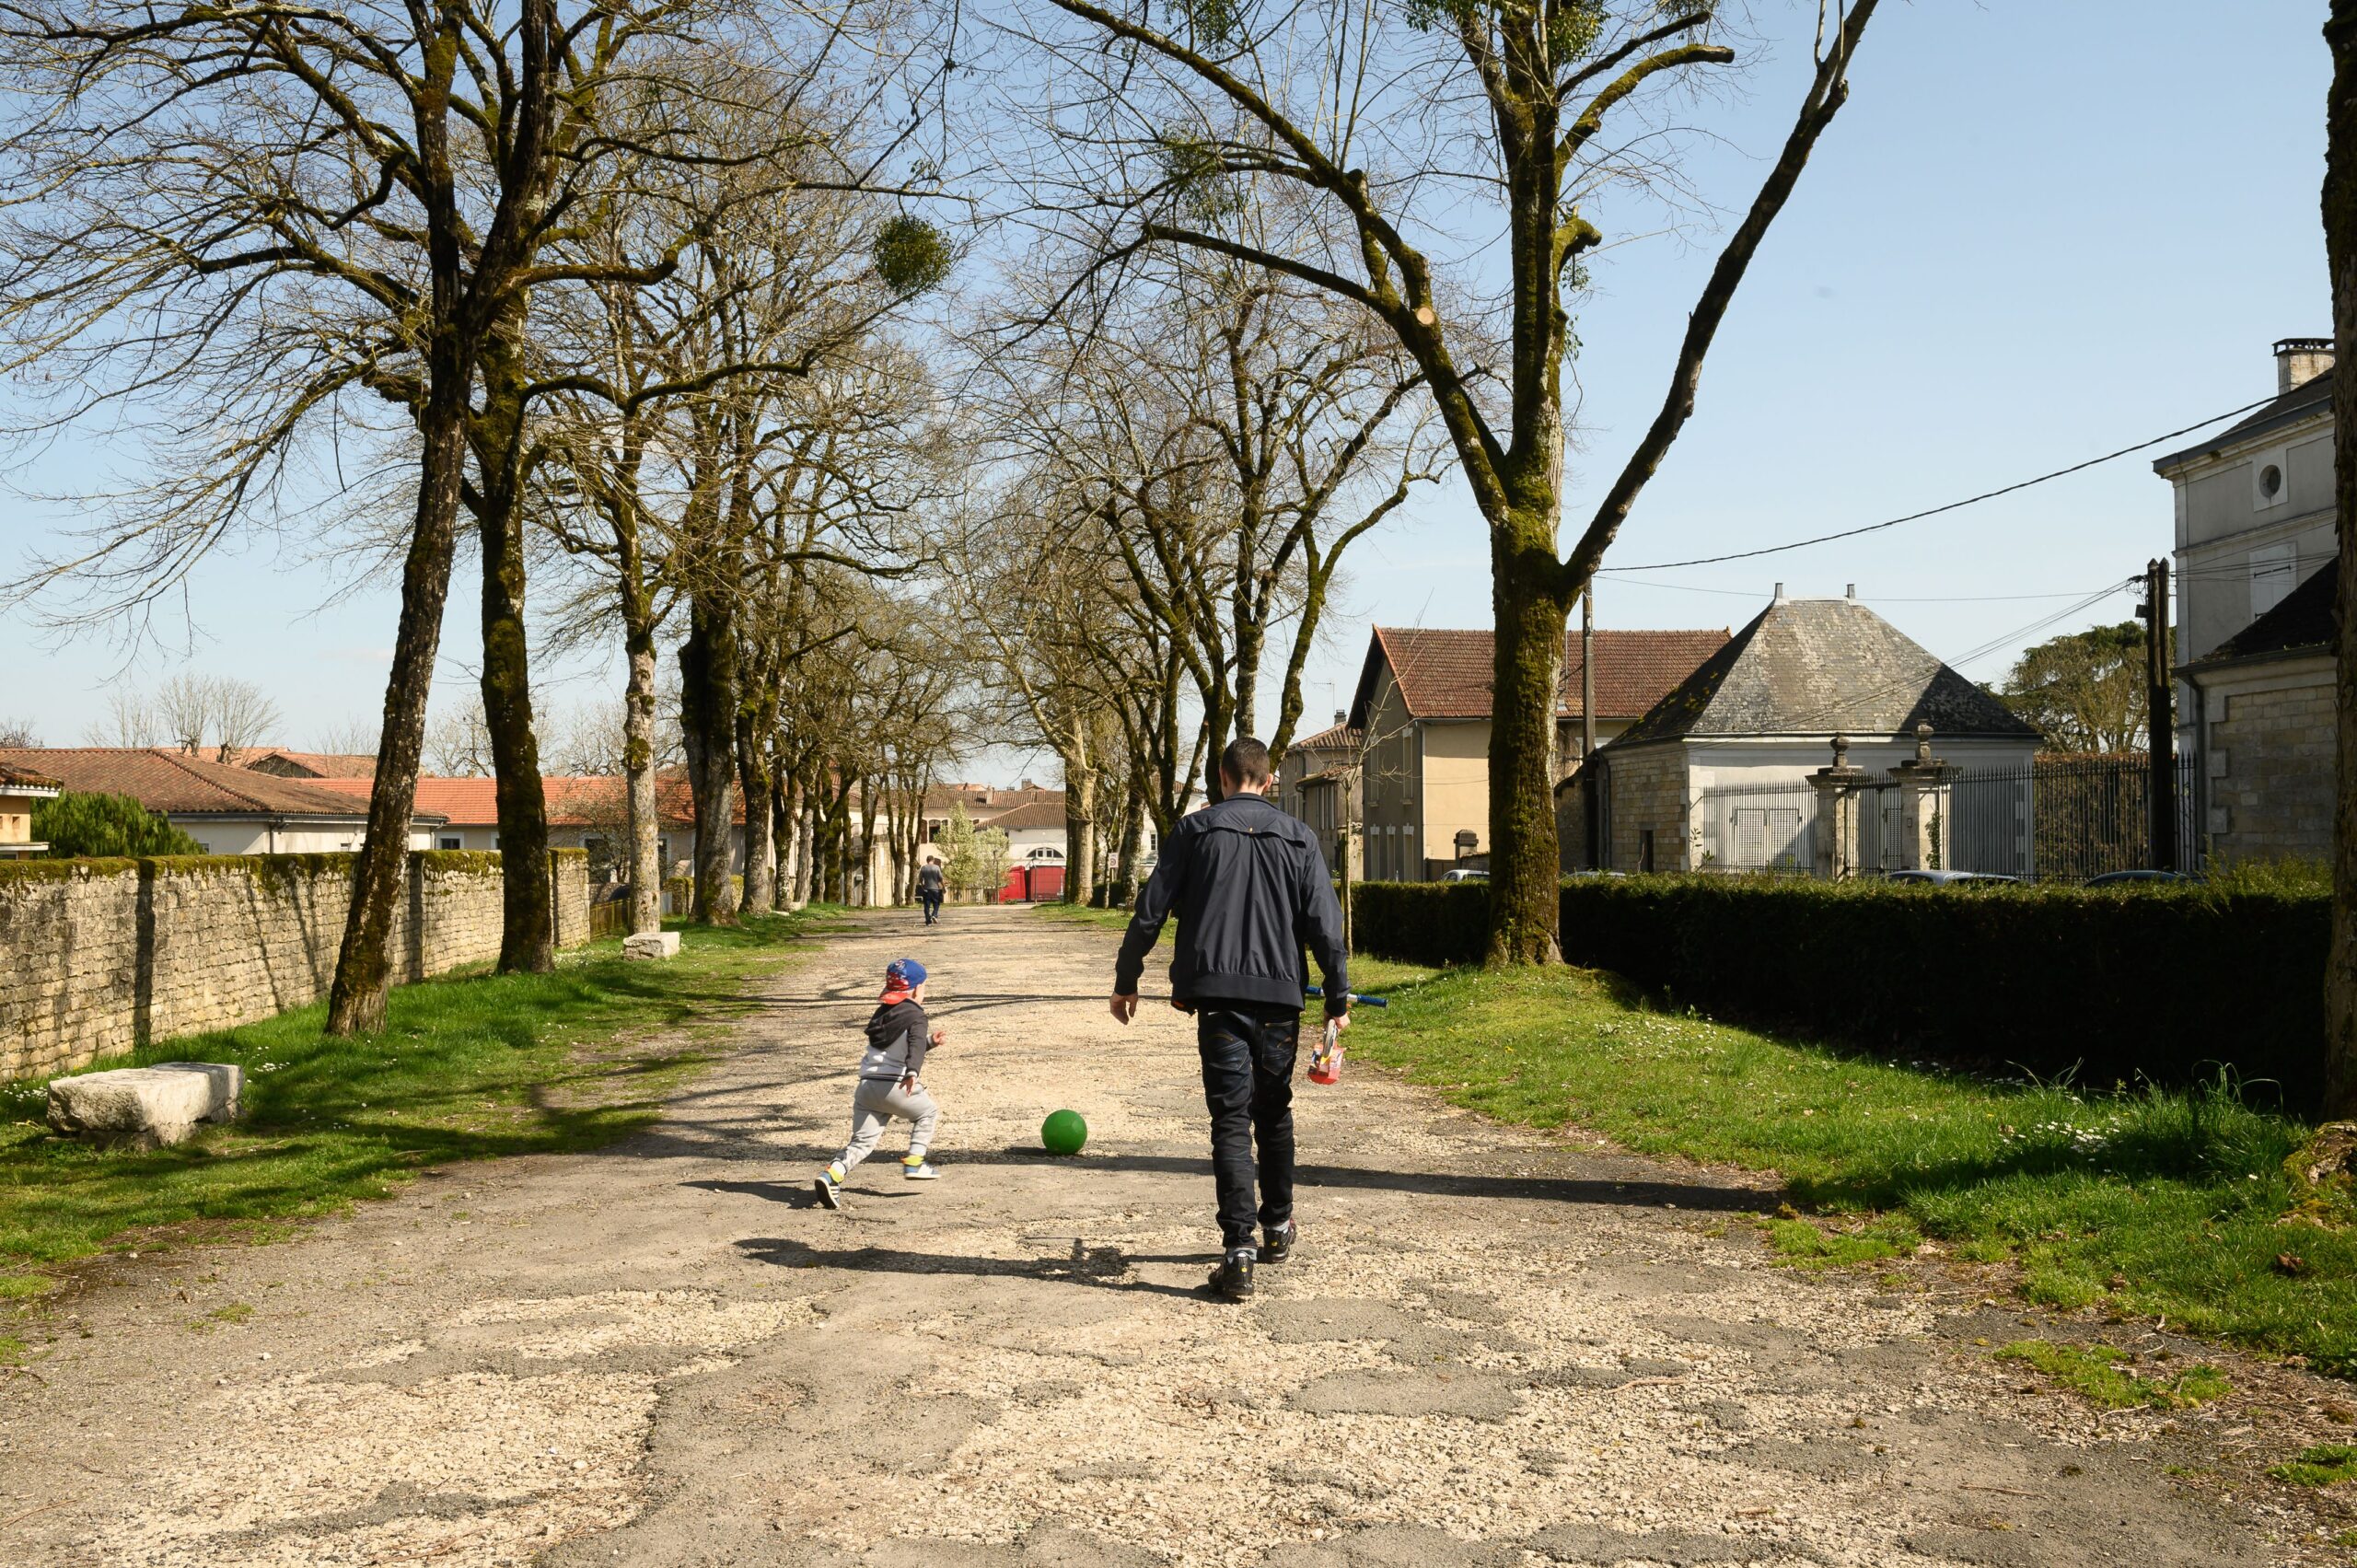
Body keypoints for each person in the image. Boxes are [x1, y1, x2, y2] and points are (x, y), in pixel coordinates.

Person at [1110, 737, 1349, 1301]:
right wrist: (1336, 996)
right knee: (1274, 1110)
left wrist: (1127, 979)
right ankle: (1278, 1225)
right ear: (1269, 781)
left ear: (1222, 779)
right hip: (1280, 999)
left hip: (1217, 997)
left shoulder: (1194, 831)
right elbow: (1325, 924)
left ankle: (1237, 1249)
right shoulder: (1299, 836)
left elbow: (1150, 911)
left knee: (1229, 1119)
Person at [816, 957, 946, 1209]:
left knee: (861, 1142)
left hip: (867, 1087)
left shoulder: (881, 1014)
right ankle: (915, 1162)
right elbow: (914, 1045)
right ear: (918, 989)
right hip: (895, 1085)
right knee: (928, 1112)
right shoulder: (916, 1015)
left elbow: (894, 1047)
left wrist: (930, 1042)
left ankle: (832, 1174)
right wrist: (912, 1071)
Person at [916, 859, 946, 925]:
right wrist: (943, 887)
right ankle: (934, 915)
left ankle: (928, 921)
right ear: (933, 860)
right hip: (935, 889)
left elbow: (920, 879)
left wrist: (923, 886)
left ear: (927, 860)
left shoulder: (923, 868)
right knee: (937, 904)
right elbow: (940, 878)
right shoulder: (937, 867)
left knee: (926, 906)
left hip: (927, 889)